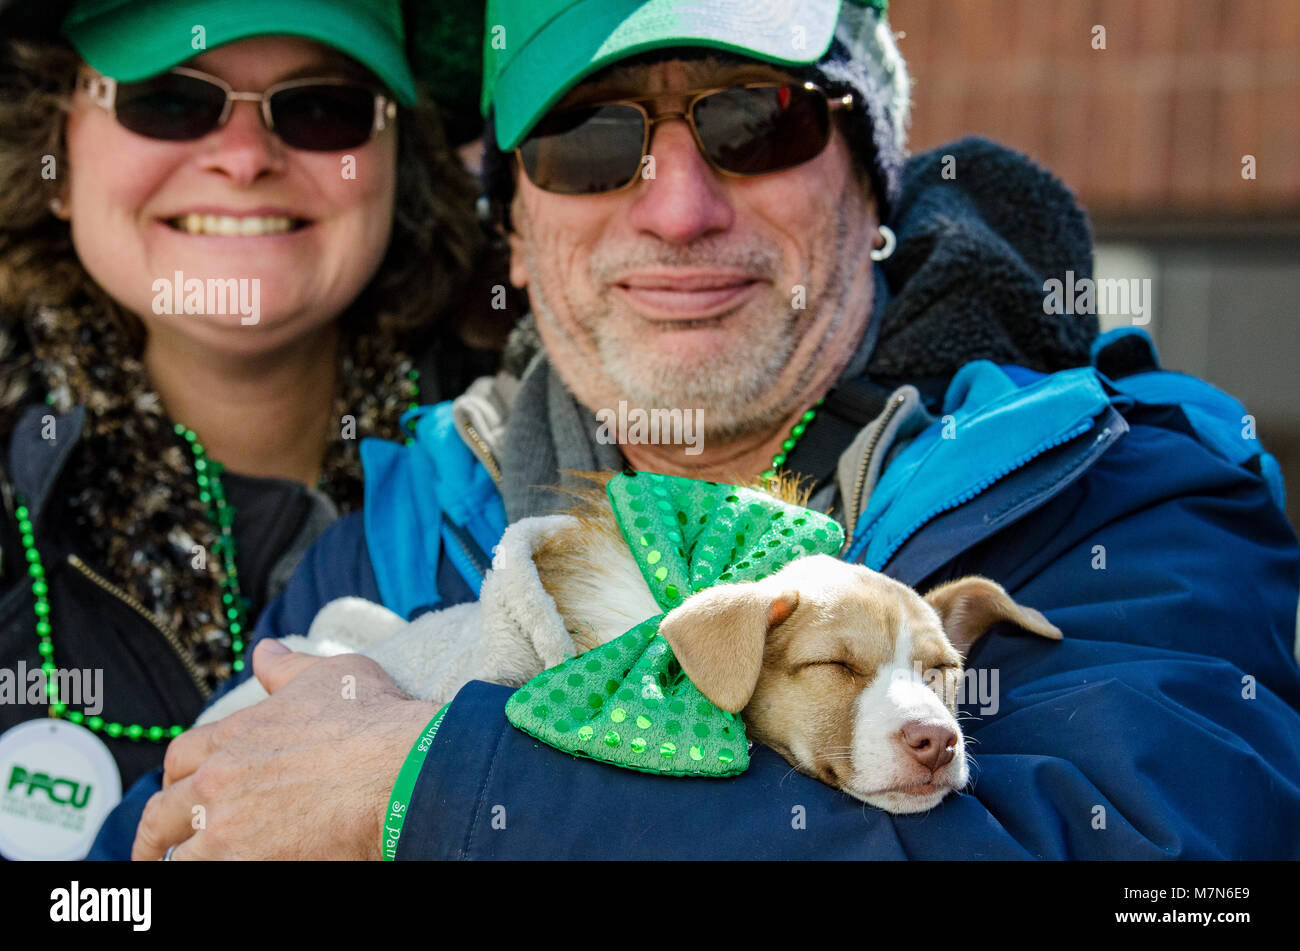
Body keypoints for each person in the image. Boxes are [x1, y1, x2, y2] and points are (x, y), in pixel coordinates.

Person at [110, 0, 1300, 860]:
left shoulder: (1115, 492)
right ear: (516, 230)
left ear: (870, 183)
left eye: (757, 123)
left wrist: (434, 788)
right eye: (589, 140)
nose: (678, 209)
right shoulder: (401, 531)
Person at [0, 0, 494, 860]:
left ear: (399, 163)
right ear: (56, 157)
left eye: (318, 108)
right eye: (168, 99)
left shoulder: (542, 468)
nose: (242, 158)